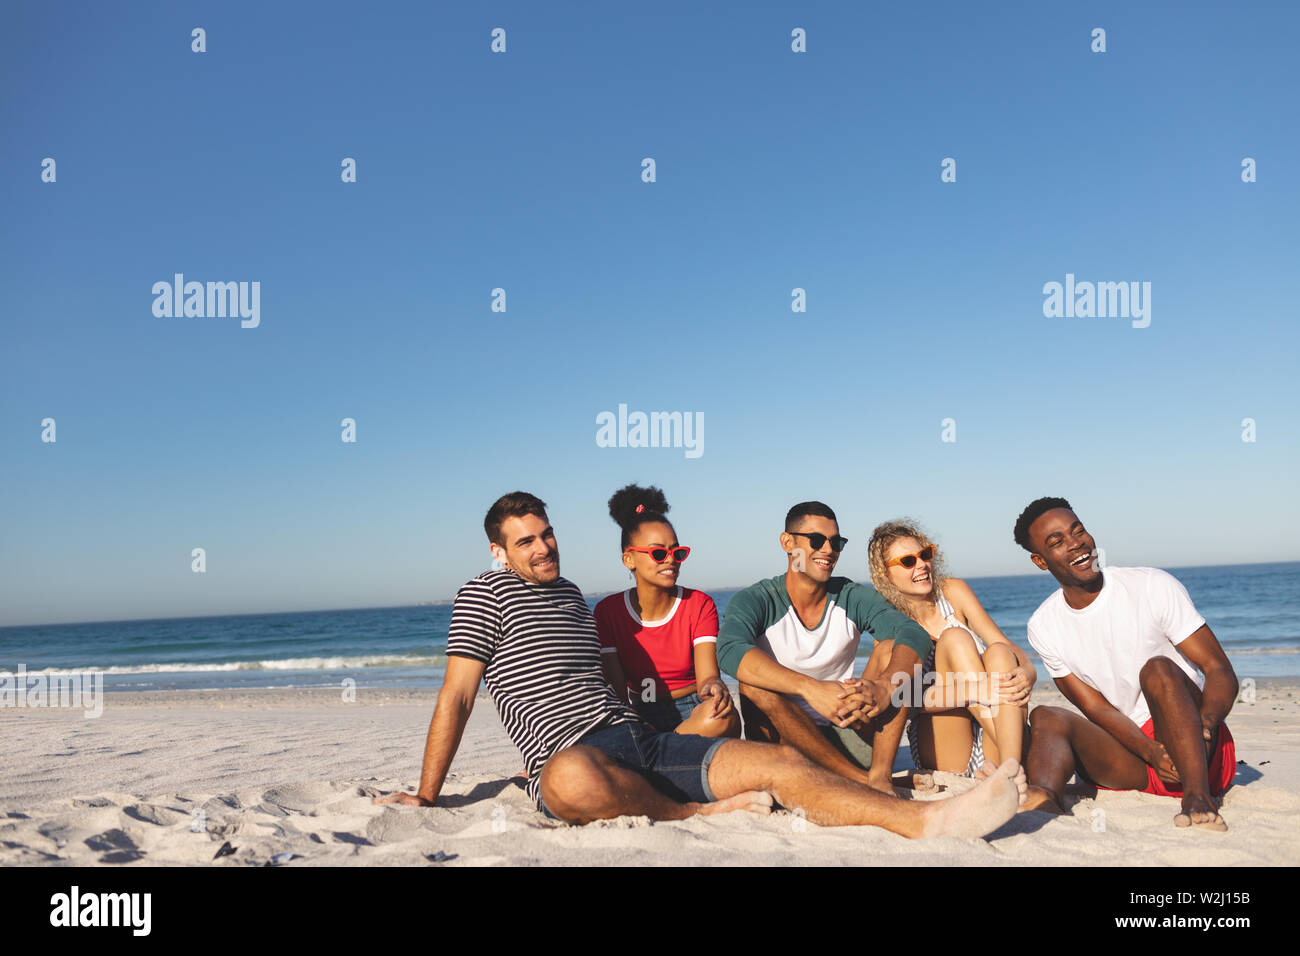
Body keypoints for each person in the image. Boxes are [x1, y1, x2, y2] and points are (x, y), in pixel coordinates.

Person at [375, 490, 1027, 838]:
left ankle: (923, 821)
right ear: (499, 551)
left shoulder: (574, 596)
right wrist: (428, 794)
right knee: (570, 777)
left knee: (779, 764)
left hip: (640, 740)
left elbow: (609, 683)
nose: (544, 547)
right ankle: (692, 817)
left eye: (547, 533)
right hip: (567, 755)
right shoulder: (483, 595)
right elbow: (457, 696)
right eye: (526, 541)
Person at [1014, 497, 1237, 830]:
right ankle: (1044, 801)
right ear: (1040, 561)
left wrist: (1205, 724)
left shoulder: (1150, 585)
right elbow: (1096, 708)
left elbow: (1219, 669)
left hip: (1198, 749)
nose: (1077, 543)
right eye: (1057, 542)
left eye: (1078, 530)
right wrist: (1149, 751)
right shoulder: (1043, 625)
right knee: (1045, 716)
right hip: (1132, 754)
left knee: (1157, 669)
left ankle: (1197, 798)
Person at [715, 501, 936, 795]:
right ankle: (864, 782)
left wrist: (884, 685)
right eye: (817, 540)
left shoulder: (849, 595)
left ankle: (880, 776)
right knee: (752, 685)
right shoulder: (757, 599)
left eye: (836, 542)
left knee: (893, 650)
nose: (829, 550)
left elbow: (913, 633)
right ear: (787, 542)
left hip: (850, 732)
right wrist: (810, 689)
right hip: (784, 745)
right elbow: (729, 650)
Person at [868, 520, 1034, 778]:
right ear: (885, 575)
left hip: (991, 733)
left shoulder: (953, 591)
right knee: (955, 637)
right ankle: (1018, 759)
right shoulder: (889, 621)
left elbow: (1009, 647)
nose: (922, 564)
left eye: (924, 555)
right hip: (946, 743)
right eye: (908, 561)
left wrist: (1028, 673)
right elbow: (902, 697)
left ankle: (1011, 767)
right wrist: (972, 690)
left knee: (1000, 653)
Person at [594, 484, 740, 738]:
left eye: (677, 552)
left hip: (694, 709)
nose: (670, 559)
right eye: (658, 553)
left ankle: (658, 751)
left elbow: (708, 677)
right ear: (629, 559)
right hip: (639, 711)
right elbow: (617, 694)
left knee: (720, 717)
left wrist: (715, 687)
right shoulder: (608, 612)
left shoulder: (699, 604)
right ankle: (664, 752)